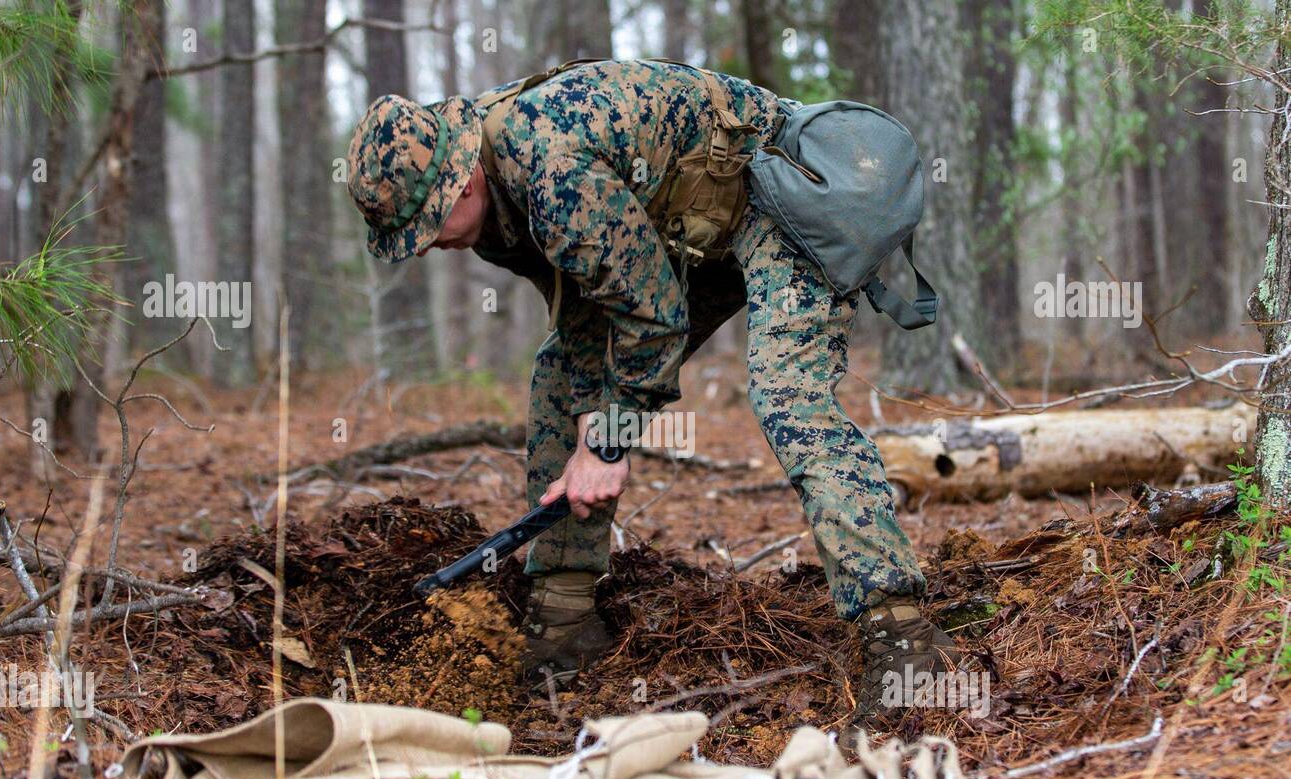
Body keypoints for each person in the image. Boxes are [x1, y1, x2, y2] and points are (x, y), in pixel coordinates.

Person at [345, 59, 959, 725]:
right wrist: (586, 426)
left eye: (426, 228)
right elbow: (588, 309)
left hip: (778, 195)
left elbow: (653, 317)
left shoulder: (550, 167)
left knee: (789, 395)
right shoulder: (493, 180)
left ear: (458, 184)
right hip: (688, 230)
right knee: (560, 379)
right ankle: (564, 620)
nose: (429, 247)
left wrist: (608, 442)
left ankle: (900, 633)